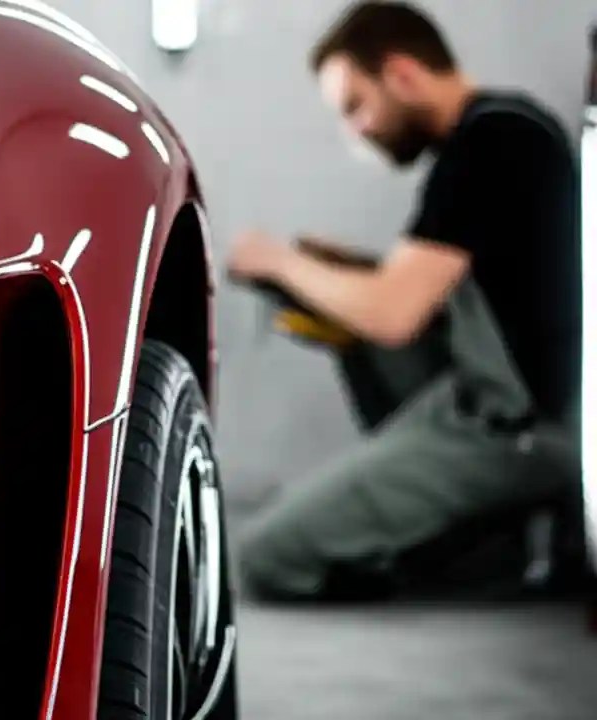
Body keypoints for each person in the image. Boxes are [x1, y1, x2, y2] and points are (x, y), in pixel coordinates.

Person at [226, 1, 583, 601]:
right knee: (346, 314)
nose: (357, 131)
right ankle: (479, 541)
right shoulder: (506, 131)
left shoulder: (489, 142)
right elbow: (448, 287)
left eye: (357, 107)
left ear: (402, 74)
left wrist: (279, 262)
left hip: (517, 429)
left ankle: (450, 553)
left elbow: (393, 315)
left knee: (270, 556)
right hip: (495, 403)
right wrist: (332, 269)